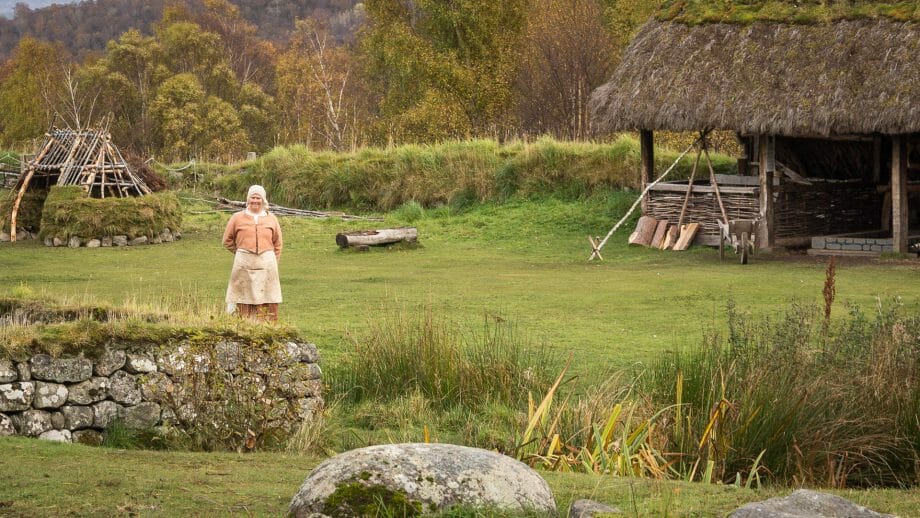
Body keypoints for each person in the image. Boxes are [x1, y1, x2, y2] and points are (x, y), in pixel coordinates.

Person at [222, 185, 283, 322]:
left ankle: (267, 324)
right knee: (243, 294)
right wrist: (241, 252)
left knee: (268, 295)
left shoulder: (272, 218)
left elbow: (278, 243)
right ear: (248, 199)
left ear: (263, 200)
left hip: (267, 263)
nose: (255, 201)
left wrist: (274, 261)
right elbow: (227, 240)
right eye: (253, 197)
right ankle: (245, 323)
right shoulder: (237, 217)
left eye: (258, 198)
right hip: (244, 263)